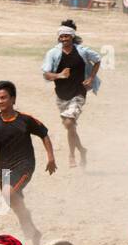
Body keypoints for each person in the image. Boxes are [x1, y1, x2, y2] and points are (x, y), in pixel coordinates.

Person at [0, 80, 56, 245]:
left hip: (24, 165)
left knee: (8, 193)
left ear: (13, 99)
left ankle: (30, 227)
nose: (0, 101)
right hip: (4, 170)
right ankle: (33, 232)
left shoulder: (25, 120)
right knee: (14, 203)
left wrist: (50, 157)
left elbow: (44, 134)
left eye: (4, 97)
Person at [41, 20, 101, 169]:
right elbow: (46, 74)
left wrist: (91, 77)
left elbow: (98, 59)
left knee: (68, 122)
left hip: (78, 93)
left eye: (66, 36)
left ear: (72, 36)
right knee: (71, 127)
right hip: (61, 95)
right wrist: (59, 75)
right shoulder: (53, 53)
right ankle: (82, 150)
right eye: (61, 37)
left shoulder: (82, 51)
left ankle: (71, 155)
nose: (64, 39)